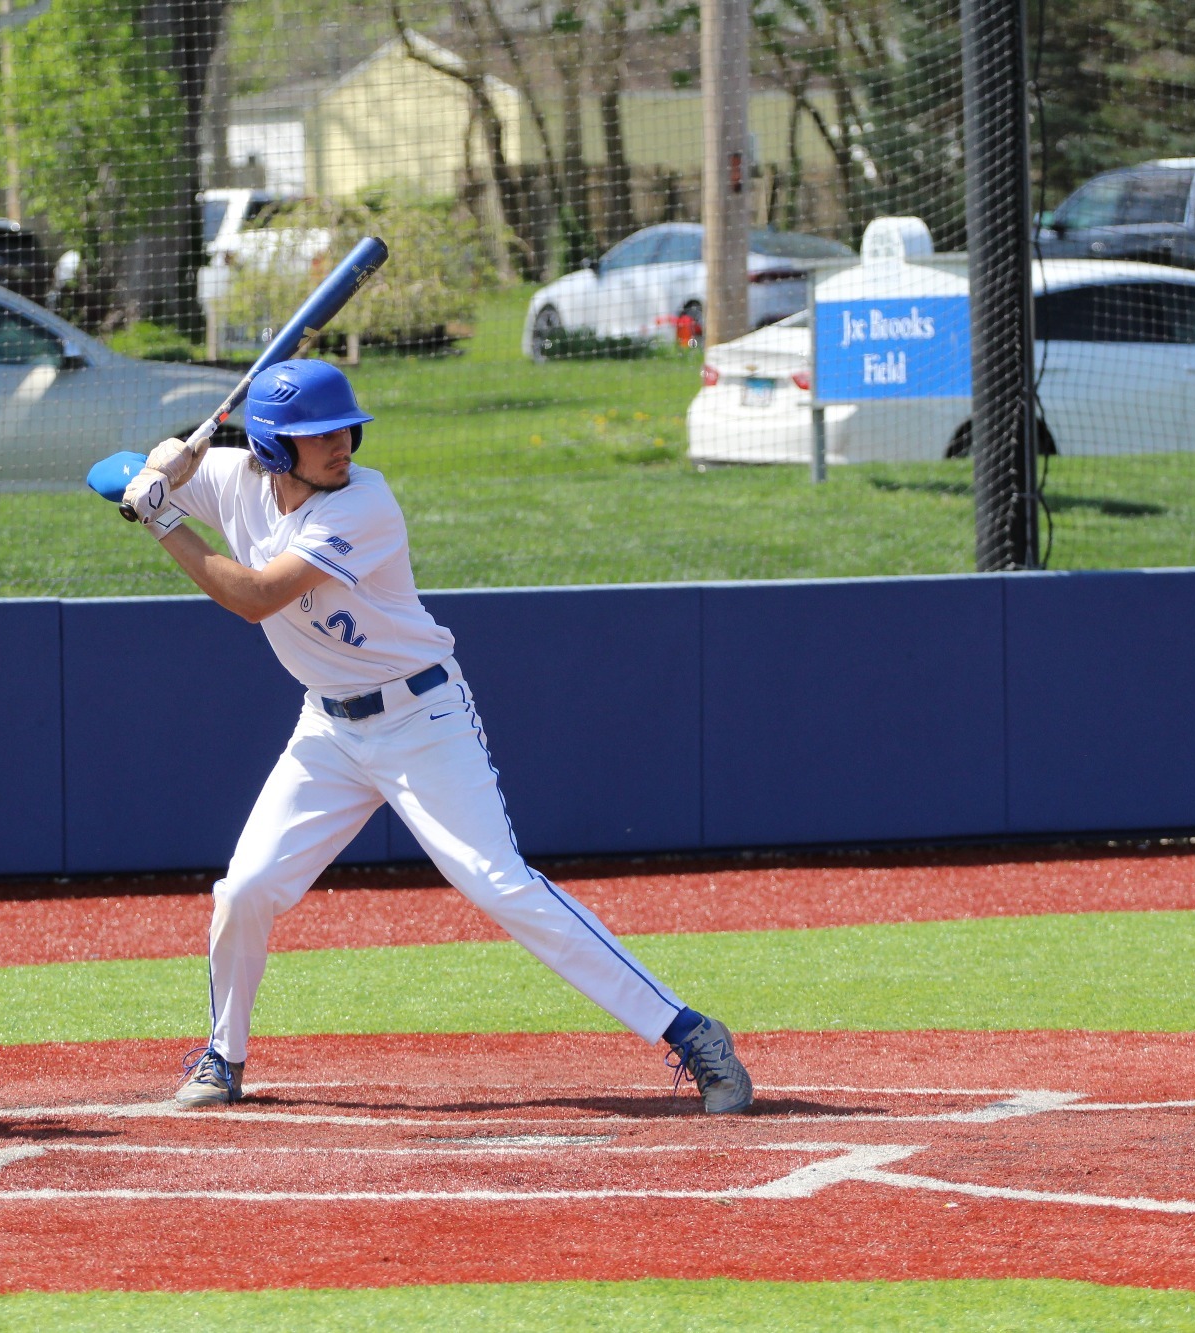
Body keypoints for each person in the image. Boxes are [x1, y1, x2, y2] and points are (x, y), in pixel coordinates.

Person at [109, 359, 754, 1115]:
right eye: (320, 434)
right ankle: (223, 1057)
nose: (343, 443)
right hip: (328, 727)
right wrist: (158, 464)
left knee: (499, 884)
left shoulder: (364, 504)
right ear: (275, 447)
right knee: (245, 888)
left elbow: (252, 598)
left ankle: (693, 1032)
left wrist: (159, 516)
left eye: (346, 428)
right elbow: (113, 469)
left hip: (422, 719)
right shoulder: (229, 477)